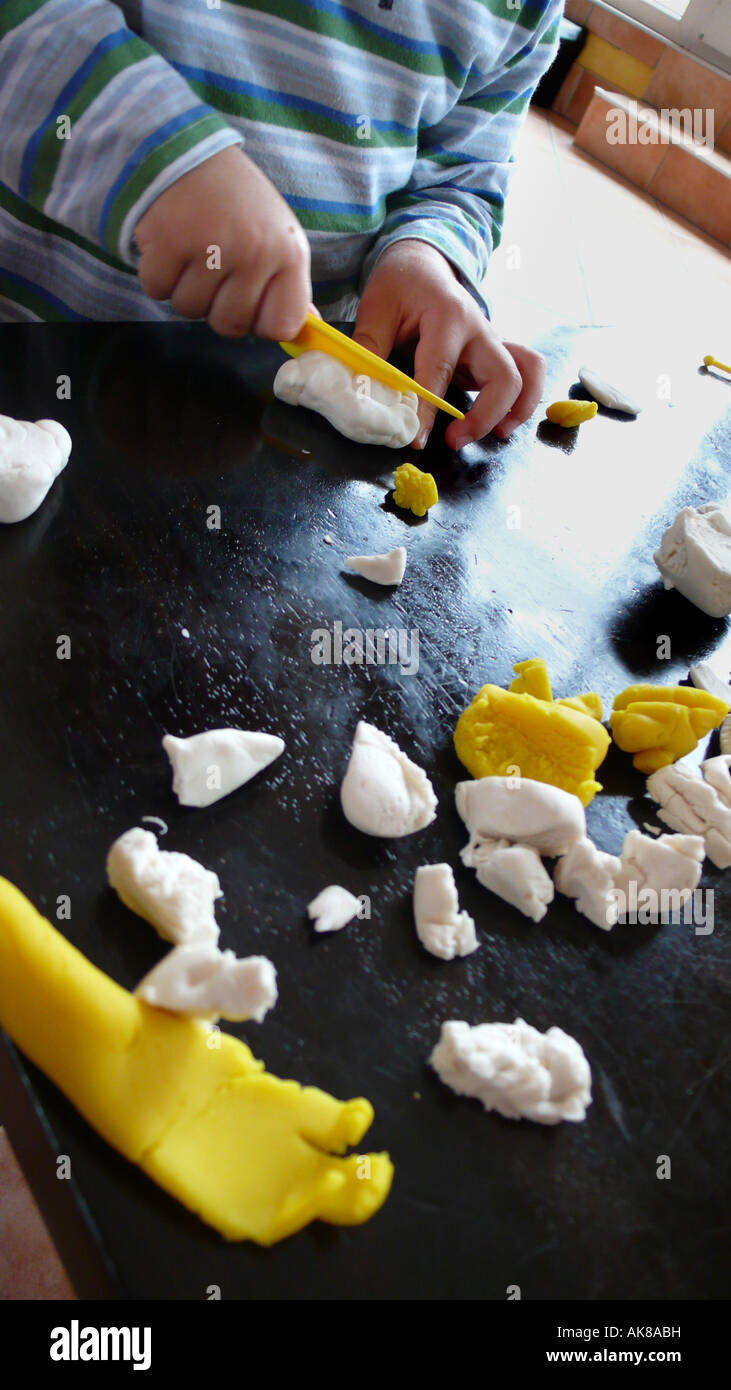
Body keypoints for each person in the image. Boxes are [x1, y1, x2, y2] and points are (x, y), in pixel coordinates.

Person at [0, 0, 562, 447]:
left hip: (265, 426)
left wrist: (425, 255)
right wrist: (158, 156)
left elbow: (462, 177)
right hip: (35, 358)